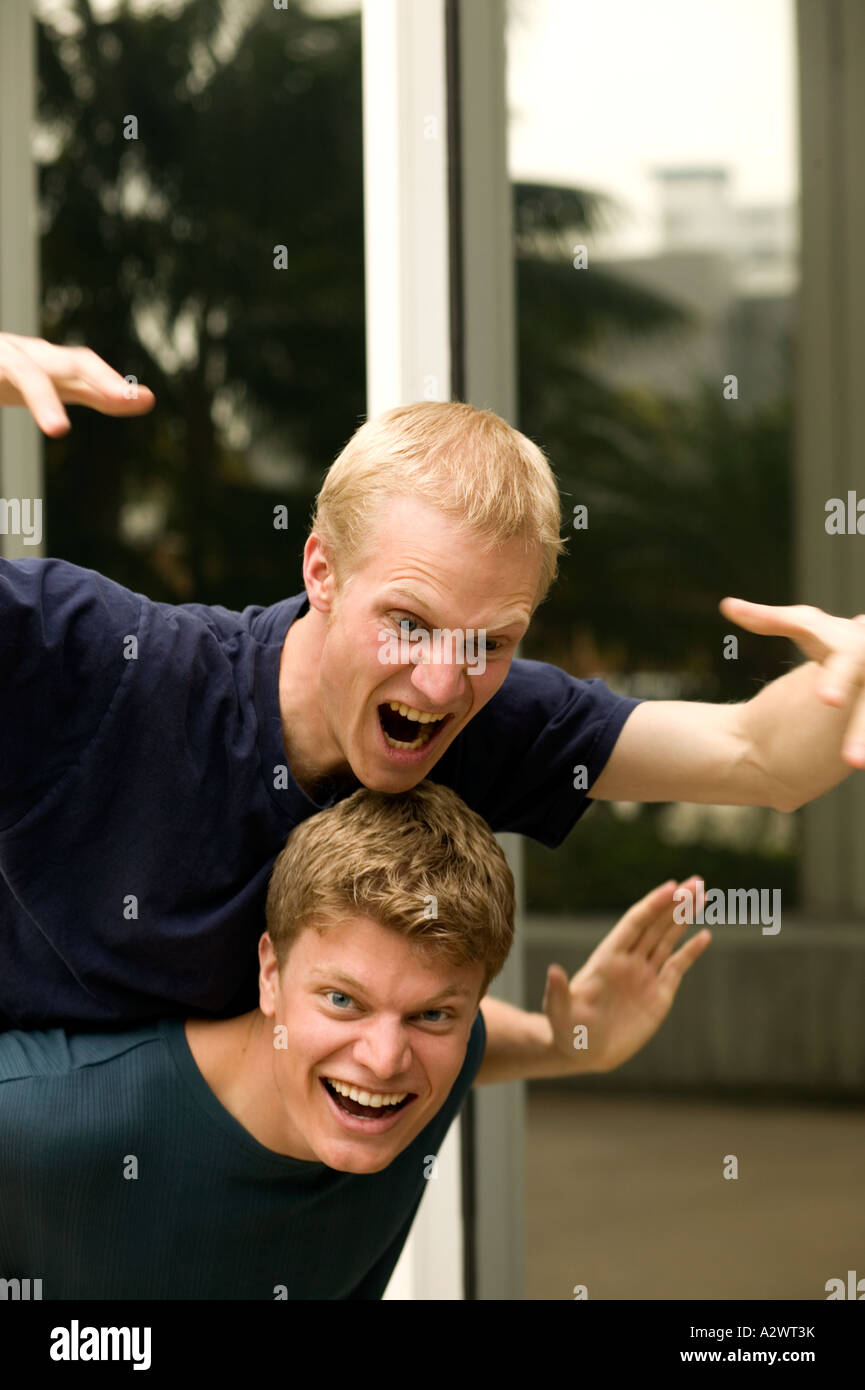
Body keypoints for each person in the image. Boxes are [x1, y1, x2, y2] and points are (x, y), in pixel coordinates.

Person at [1, 333, 863, 1028]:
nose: (445, 687)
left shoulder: (497, 725)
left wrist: (851, 675)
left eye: (489, 642)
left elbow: (757, 755)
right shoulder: (108, 658)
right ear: (322, 572)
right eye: (408, 624)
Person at [0, 782, 709, 1299]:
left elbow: (480, 1041)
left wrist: (575, 1044)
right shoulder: (53, 1121)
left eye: (432, 1014)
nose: (382, 1058)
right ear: (270, 974)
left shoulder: (439, 1062)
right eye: (342, 1001)